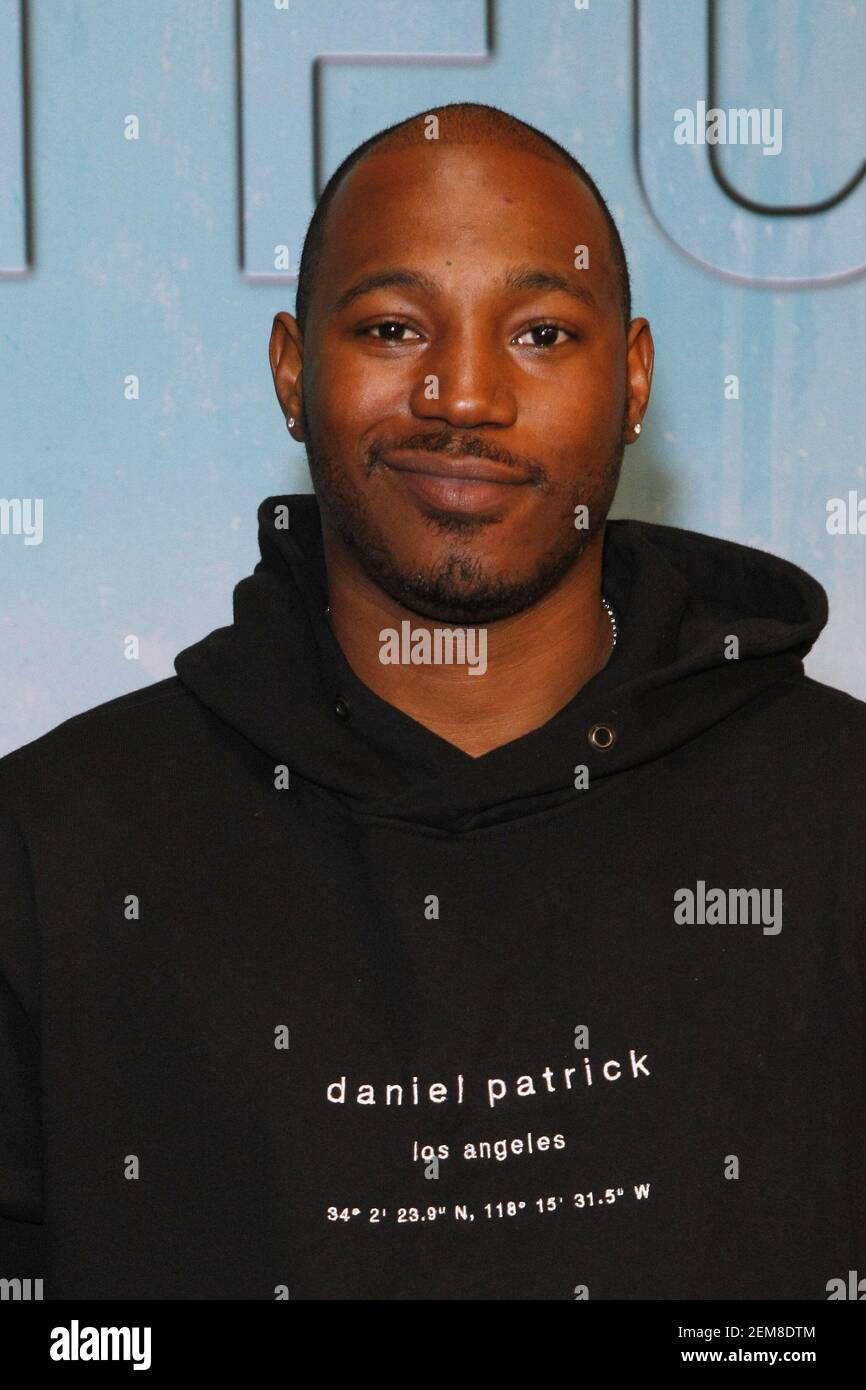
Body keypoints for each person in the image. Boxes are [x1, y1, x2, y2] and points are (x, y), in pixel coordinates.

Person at [1, 102, 863, 1300]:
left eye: (542, 333)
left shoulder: (835, 814)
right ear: (293, 373)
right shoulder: (56, 849)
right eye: (395, 325)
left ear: (631, 380)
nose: (462, 394)